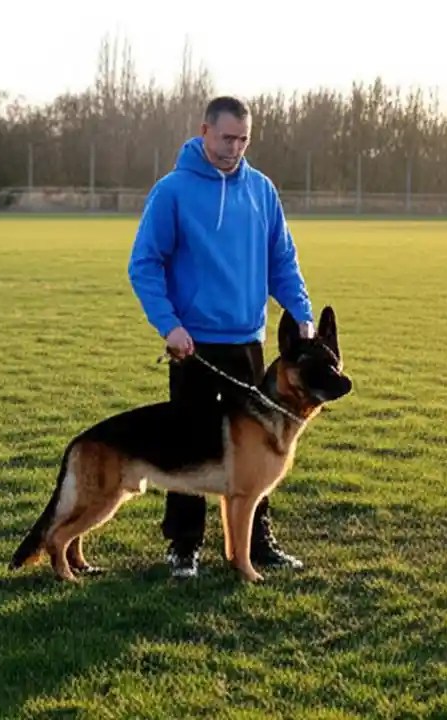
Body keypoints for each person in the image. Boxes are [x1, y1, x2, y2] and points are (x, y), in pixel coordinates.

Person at [127, 95, 317, 579]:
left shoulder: (262, 190)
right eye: (227, 137)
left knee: (261, 449)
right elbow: (144, 263)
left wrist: (301, 313)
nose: (235, 148)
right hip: (191, 345)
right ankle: (183, 547)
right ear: (205, 131)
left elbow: (283, 260)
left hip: (248, 343)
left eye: (244, 139)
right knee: (188, 447)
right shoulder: (172, 191)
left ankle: (257, 544)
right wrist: (169, 325)